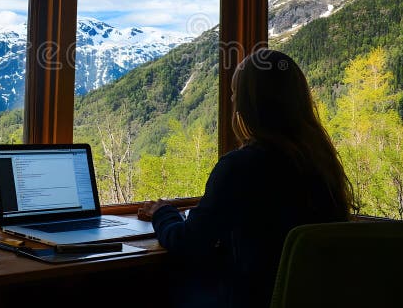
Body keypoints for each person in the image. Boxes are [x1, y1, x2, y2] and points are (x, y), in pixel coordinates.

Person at [137, 49, 357, 308]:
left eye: (234, 94)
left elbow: (188, 242)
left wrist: (162, 213)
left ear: (247, 105)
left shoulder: (240, 166)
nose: (232, 100)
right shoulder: (320, 161)